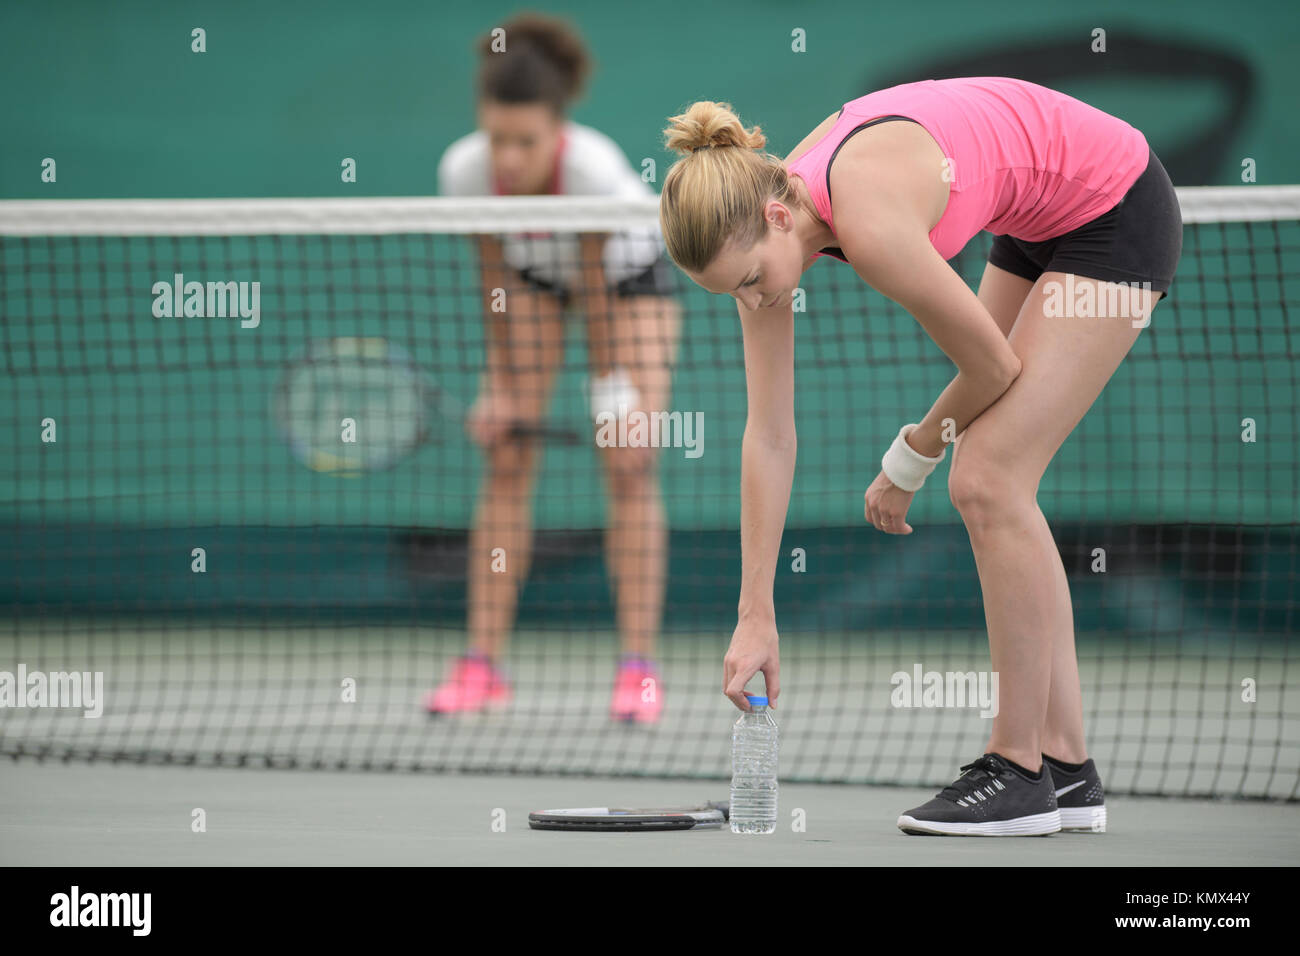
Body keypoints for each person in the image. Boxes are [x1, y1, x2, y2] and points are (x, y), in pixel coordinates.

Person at [657, 77, 1181, 834]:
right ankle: (1067, 771)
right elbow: (768, 435)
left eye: (750, 281)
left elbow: (994, 368)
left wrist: (907, 463)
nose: (754, 299)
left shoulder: (866, 222)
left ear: (777, 217)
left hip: (1116, 205)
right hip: (1036, 217)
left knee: (989, 479)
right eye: (732, 293)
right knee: (989, 476)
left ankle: (1018, 767)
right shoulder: (764, 220)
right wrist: (755, 616)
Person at [426, 13, 681, 723]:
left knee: (629, 463)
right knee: (507, 457)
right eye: (496, 136)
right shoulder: (465, 171)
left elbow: (599, 299)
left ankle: (639, 671)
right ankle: (481, 665)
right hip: (532, 281)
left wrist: (616, 402)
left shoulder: (592, 171)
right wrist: (501, 388)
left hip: (626, 288)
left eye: (526, 141)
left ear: (557, 128)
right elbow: (493, 283)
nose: (507, 156)